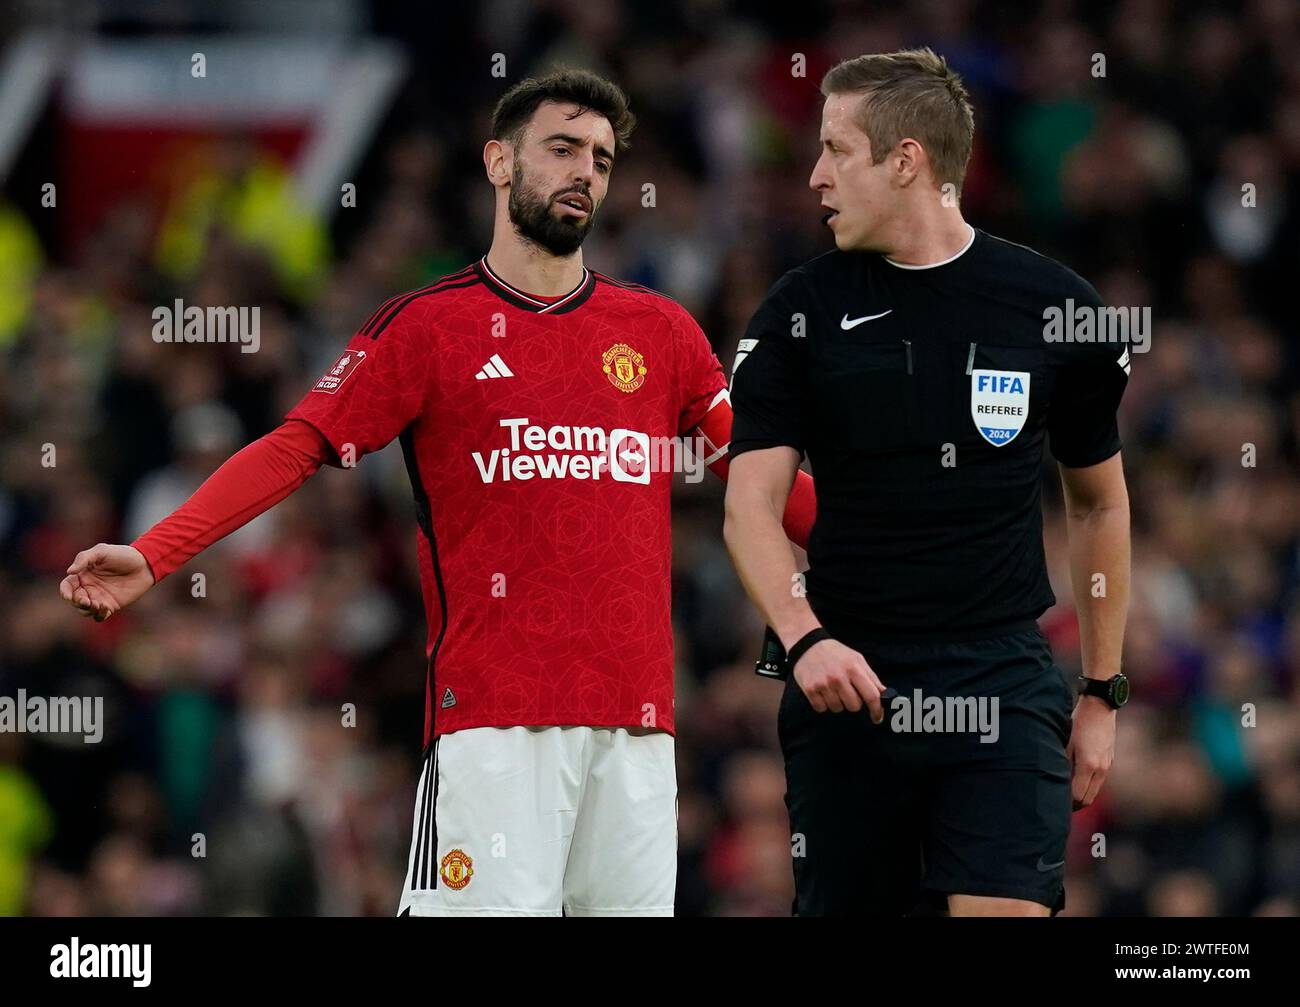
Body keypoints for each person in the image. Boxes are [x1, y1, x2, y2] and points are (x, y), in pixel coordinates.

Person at [59, 69, 817, 917]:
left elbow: (765, 481)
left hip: (639, 731)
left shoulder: (662, 332)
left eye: (602, 159)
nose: (585, 173)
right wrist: (156, 552)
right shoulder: (426, 327)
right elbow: (295, 447)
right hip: (494, 730)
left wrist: (924, 548)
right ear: (499, 161)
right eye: (562, 148)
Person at [723, 49, 1131, 917]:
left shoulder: (1057, 308)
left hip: (1002, 684)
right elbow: (749, 506)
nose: (815, 175)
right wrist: (804, 639)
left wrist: (1101, 689)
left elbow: (1098, 500)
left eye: (837, 150)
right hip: (849, 682)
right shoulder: (798, 312)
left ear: (906, 160)